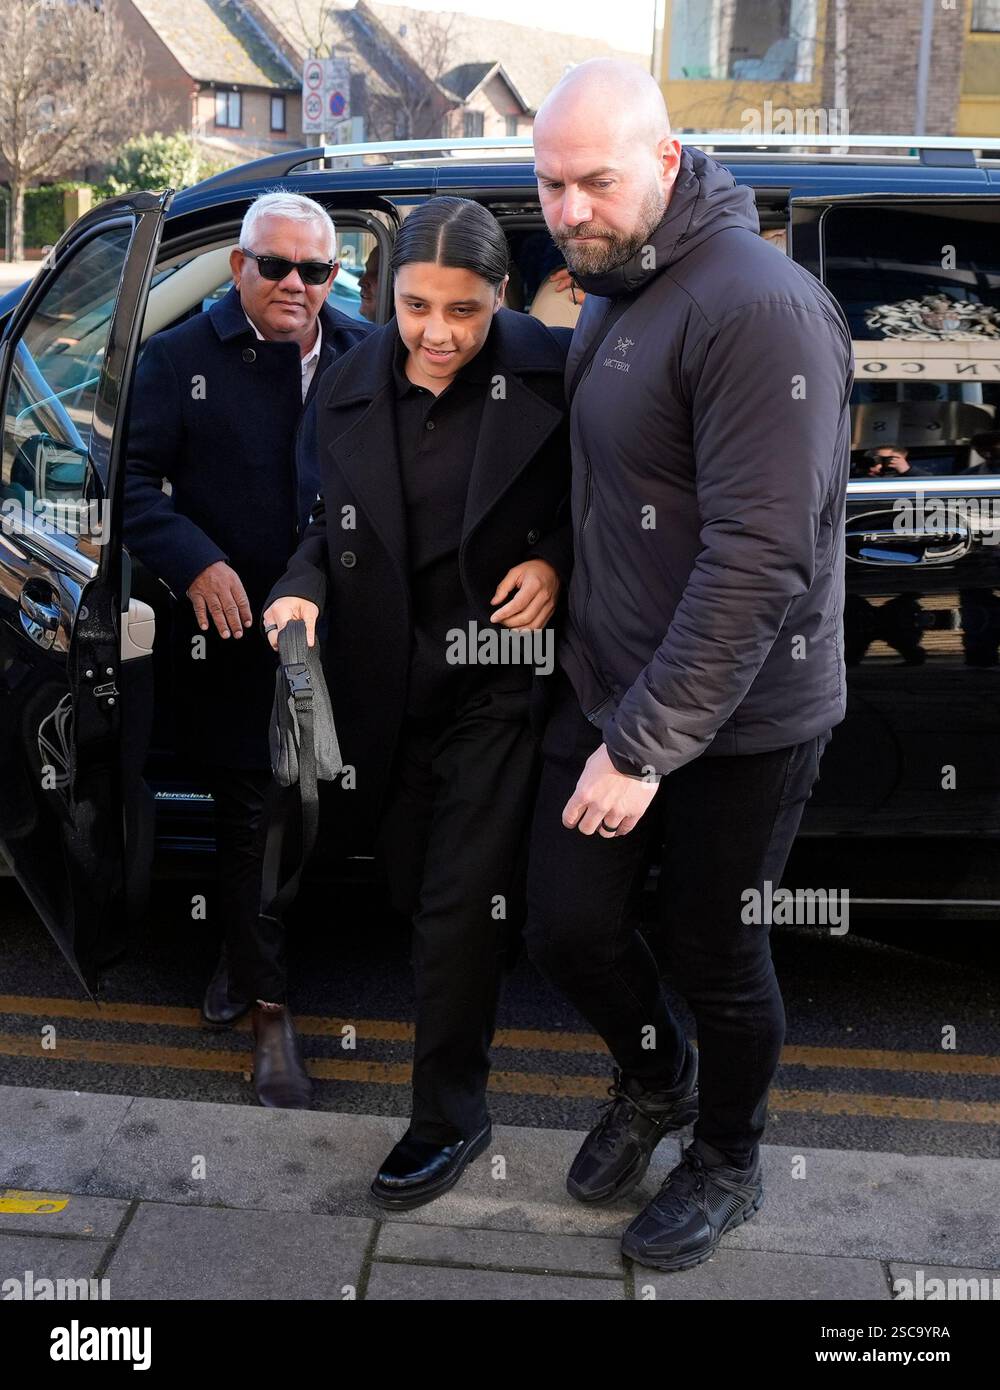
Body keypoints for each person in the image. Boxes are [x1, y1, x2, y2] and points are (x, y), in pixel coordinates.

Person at [525, 59, 854, 1272]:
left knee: (718, 947)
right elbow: (614, 478)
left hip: (739, 714)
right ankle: (654, 1081)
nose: (569, 211)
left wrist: (644, 746)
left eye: (596, 182)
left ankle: (728, 1156)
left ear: (666, 162)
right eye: (551, 184)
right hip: (614, 678)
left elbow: (758, 557)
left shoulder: (755, 307)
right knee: (565, 924)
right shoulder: (619, 276)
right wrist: (562, 565)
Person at [262, 196, 573, 1209]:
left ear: (503, 298)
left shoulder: (555, 373)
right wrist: (301, 580)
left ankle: (449, 1115)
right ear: (384, 290)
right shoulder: (348, 380)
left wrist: (558, 565)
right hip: (386, 685)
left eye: (466, 310)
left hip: (496, 683)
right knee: (407, 890)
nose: (438, 332)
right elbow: (325, 521)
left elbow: (618, 506)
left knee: (453, 912)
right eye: (416, 305)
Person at [124, 191, 372, 1108]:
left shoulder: (363, 350)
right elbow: (135, 487)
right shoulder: (178, 357)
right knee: (256, 820)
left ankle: (239, 947)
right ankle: (269, 1010)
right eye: (277, 266)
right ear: (239, 267)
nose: (297, 285)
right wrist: (198, 563)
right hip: (231, 639)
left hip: (339, 631)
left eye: (317, 270)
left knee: (315, 813)